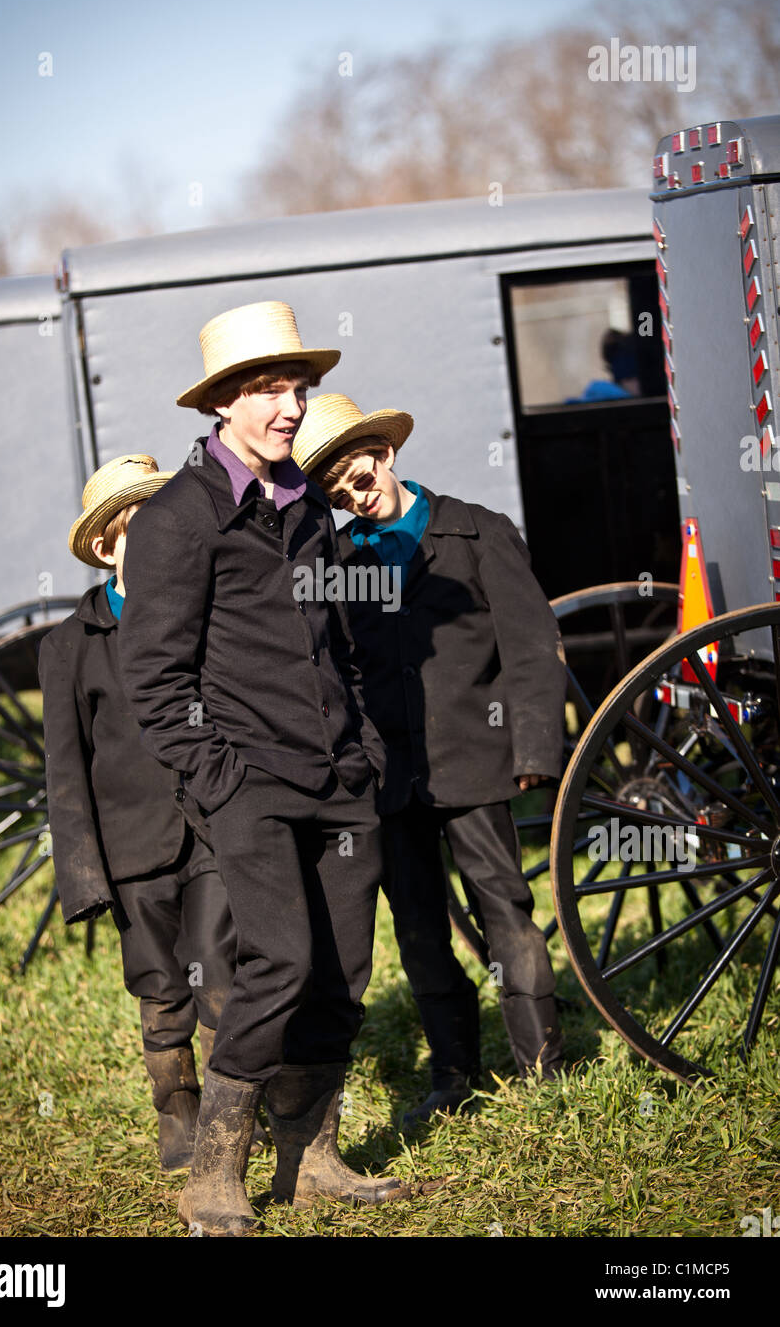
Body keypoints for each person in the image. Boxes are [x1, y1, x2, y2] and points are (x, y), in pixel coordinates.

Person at [118, 302, 407, 1236]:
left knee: (343, 972)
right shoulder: (178, 518)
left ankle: (313, 1158)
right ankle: (212, 1173)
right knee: (277, 964)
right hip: (248, 783)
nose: (292, 408)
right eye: (273, 391)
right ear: (228, 403)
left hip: (340, 778)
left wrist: (363, 748)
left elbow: (342, 646)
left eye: (299, 389)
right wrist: (221, 781)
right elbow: (154, 678)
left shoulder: (311, 510)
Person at [293, 394, 568, 1127]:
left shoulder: (476, 532)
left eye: (361, 475)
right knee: (417, 928)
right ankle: (454, 1076)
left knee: (505, 909)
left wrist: (534, 747)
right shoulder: (340, 562)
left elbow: (533, 648)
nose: (357, 496)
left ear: (386, 456)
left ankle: (543, 1068)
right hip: (389, 782)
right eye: (338, 492)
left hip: (476, 765)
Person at [39, 454, 239, 1173]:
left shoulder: (204, 618)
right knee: (159, 982)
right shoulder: (70, 646)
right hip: (131, 852)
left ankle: (226, 1118)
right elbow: (66, 771)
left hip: (211, 828)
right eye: (142, 533)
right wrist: (85, 876)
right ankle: (177, 1114)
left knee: (218, 966)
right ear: (106, 548)